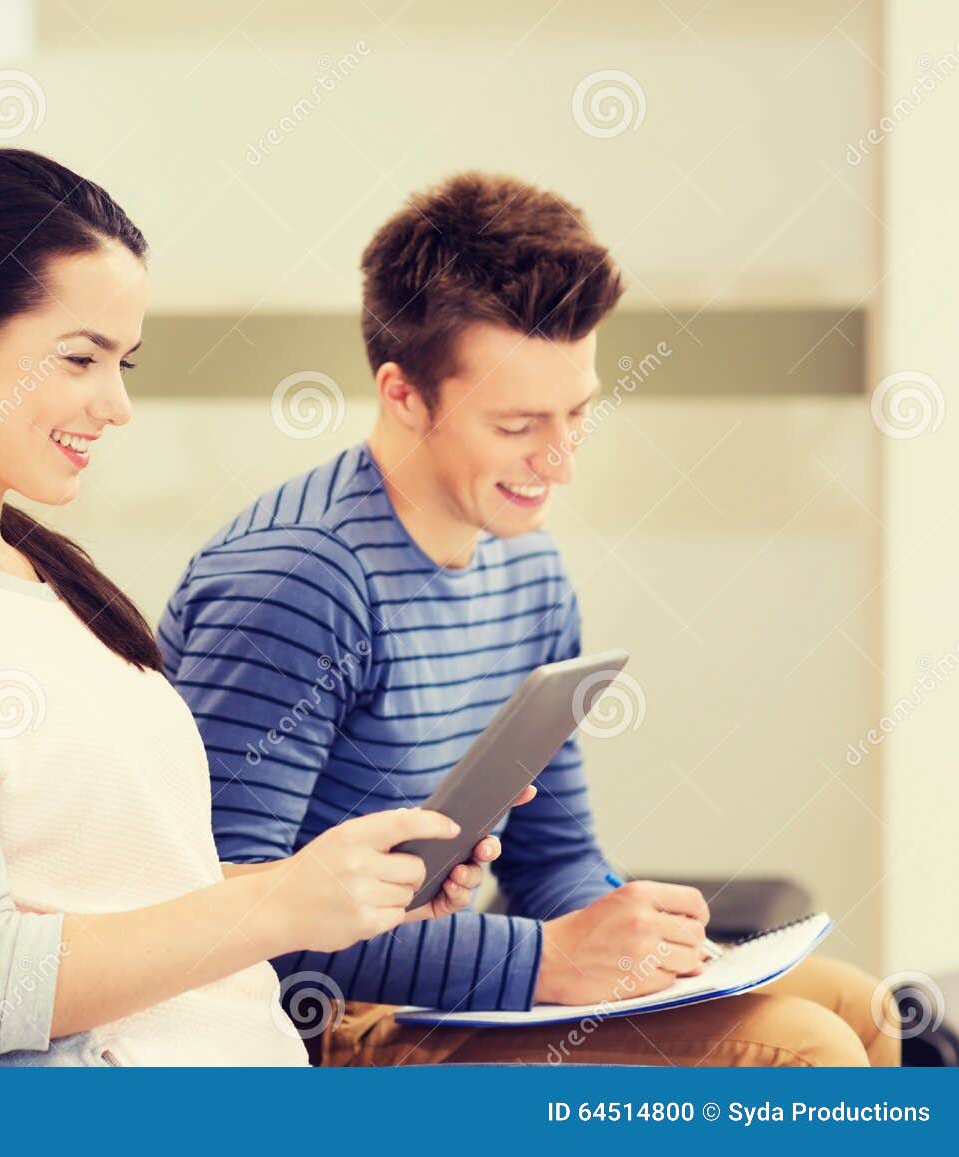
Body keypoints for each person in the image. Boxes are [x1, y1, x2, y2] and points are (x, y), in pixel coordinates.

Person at [0, 147, 521, 1066]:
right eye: (82, 358)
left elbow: (141, 890)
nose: (116, 404)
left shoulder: (39, 574)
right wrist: (278, 902)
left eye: (122, 361)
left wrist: (342, 886)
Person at [159, 172, 899, 1067]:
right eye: (517, 425)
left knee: (864, 1010)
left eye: (577, 414)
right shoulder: (301, 579)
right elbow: (222, 926)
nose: (559, 462)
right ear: (403, 395)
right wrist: (547, 958)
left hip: (436, 982)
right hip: (309, 1021)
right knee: (803, 1052)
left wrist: (636, 943)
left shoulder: (528, 566)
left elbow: (554, 862)